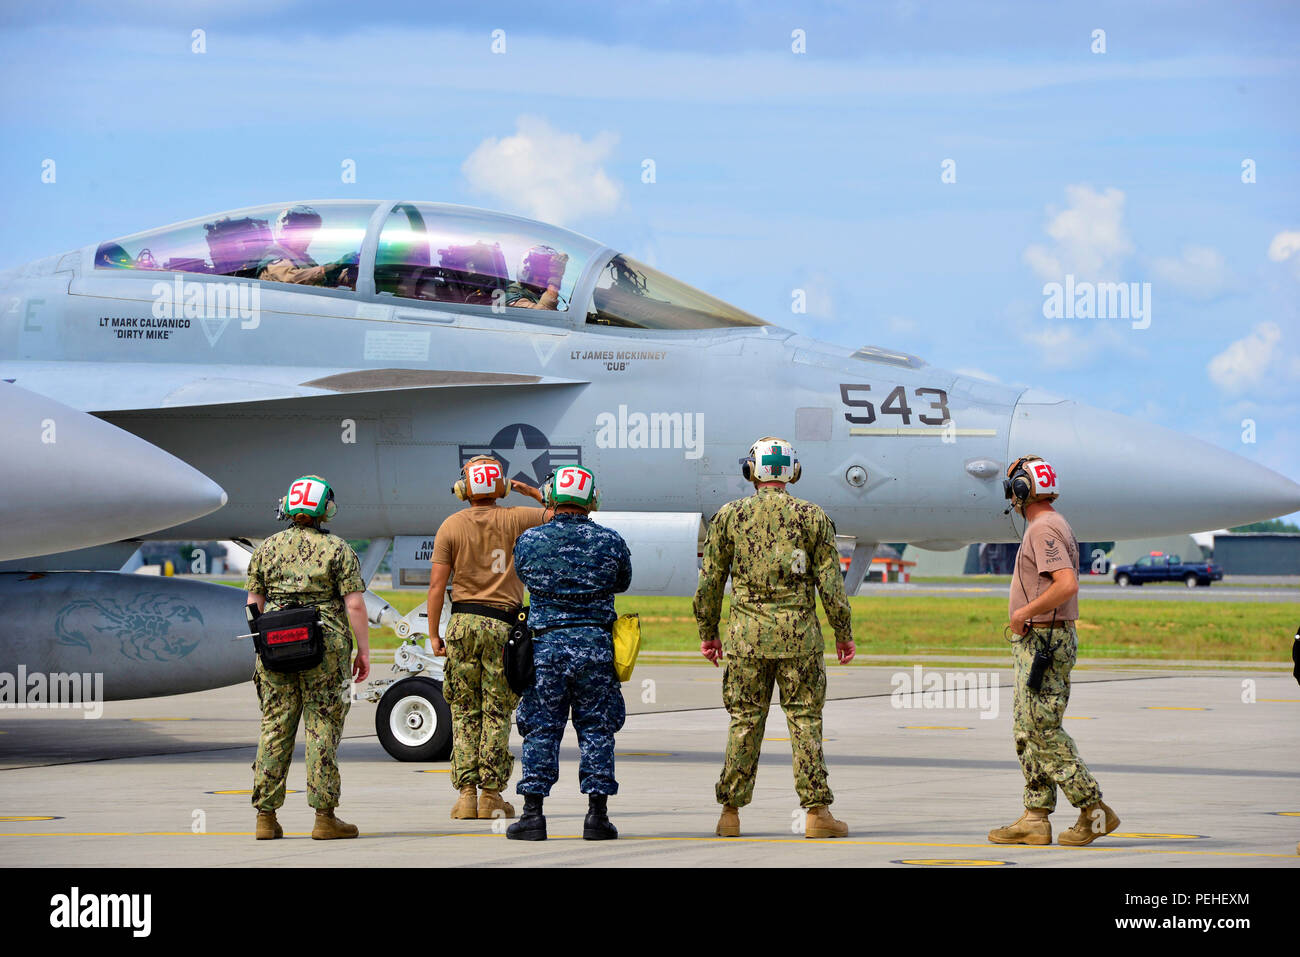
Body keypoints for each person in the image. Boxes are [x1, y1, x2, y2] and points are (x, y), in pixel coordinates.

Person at [694, 436, 856, 839]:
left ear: (751, 471)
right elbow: (832, 585)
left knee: (745, 721)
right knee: (804, 721)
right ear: (792, 472)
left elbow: (710, 581)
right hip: (799, 639)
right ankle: (817, 813)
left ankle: (729, 814)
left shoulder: (729, 516)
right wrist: (843, 632)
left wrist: (708, 633)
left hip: (745, 639)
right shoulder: (813, 517)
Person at [988, 455, 1120, 847]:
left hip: (1044, 639)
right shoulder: (1052, 523)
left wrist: (1022, 613)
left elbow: (1066, 585)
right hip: (1042, 639)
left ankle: (1094, 809)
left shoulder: (1042, 530)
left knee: (1041, 730)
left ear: (1022, 490)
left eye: (1014, 487)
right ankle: (1035, 816)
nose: (1011, 494)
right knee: (1025, 730)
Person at [507, 465, 632, 841]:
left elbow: (524, 575)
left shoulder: (530, 541)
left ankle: (532, 815)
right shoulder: (610, 542)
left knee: (542, 729)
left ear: (551, 498)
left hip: (545, 649)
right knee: (597, 728)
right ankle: (597, 816)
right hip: (594, 648)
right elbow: (622, 582)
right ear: (592, 500)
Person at [246, 474, 370, 840]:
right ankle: (324, 818)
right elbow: (355, 604)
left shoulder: (266, 548)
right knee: (323, 729)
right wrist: (363, 650)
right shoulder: (339, 549)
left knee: (275, 727)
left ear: (287, 506)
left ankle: (265, 819)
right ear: (325, 509)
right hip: (325, 647)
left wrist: (264, 648)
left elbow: (254, 603)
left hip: (276, 643)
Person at [427, 455, 547, 820]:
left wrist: (433, 633)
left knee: (464, 711)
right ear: (499, 487)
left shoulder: (450, 525)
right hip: (503, 627)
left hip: (463, 625)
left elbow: (436, 586)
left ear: (464, 489)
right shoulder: (517, 518)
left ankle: (466, 796)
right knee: (497, 711)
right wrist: (530, 491)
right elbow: (563, 513)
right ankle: (491, 795)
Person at [257, 205, 356, 287]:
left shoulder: (306, 261)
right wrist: (332, 267)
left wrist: (348, 274)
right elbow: (290, 279)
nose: (307, 237)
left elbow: (321, 284)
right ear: (284, 231)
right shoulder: (274, 257)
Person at [505, 245, 568, 310]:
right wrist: (555, 277)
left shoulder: (537, 295)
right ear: (526, 271)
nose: (544, 278)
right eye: (540, 273)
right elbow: (543, 313)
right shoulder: (511, 295)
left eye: (548, 274)